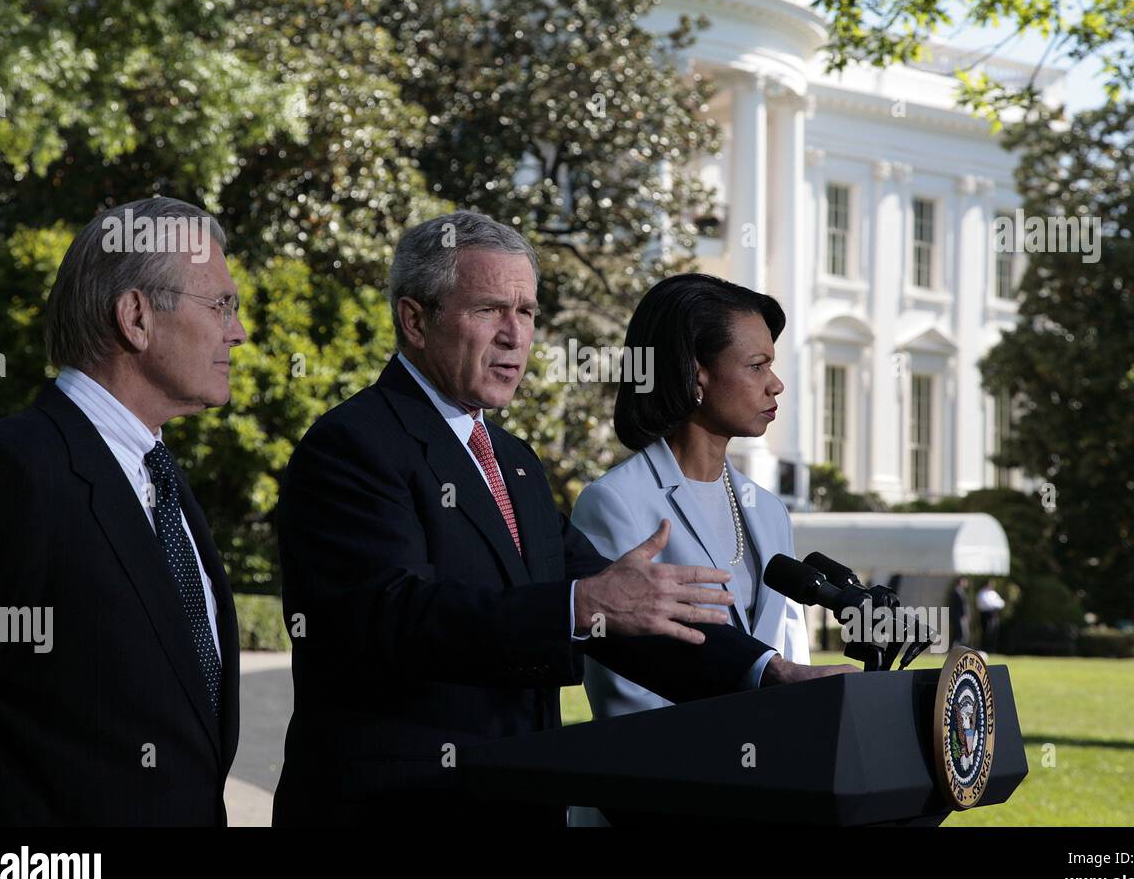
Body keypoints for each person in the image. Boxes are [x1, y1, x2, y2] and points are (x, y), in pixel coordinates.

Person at [273, 212, 810, 827]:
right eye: (489, 310)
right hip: (399, 811)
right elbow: (392, 615)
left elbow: (629, 614)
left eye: (526, 312)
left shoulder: (514, 461)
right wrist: (575, 607)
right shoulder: (351, 444)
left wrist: (769, 673)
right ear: (415, 321)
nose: (514, 336)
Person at [0, 197, 246, 825]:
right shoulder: (15, 470)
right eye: (221, 305)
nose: (237, 332)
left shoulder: (158, 474)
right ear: (136, 317)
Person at [568, 273, 857, 825]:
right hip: (662, 805)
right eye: (757, 366)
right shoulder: (614, 503)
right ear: (695, 372)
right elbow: (627, 692)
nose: (776, 385)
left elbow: (787, 659)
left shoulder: (768, 510)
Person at [976, 579, 1006, 652]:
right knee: (986, 631)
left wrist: (995, 604)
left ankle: (992, 648)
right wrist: (995, 604)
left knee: (994, 632)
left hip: (994, 614)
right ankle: (985, 648)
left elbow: (1001, 603)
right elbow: (987, 604)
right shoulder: (982, 593)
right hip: (986, 614)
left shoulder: (993, 593)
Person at [949, 576, 971, 649]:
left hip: (961, 617)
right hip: (958, 617)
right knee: (959, 634)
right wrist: (964, 615)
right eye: (965, 581)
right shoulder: (956, 592)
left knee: (961, 634)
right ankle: (955, 649)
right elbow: (959, 606)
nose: (966, 583)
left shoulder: (961, 592)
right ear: (961, 582)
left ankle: (958, 649)